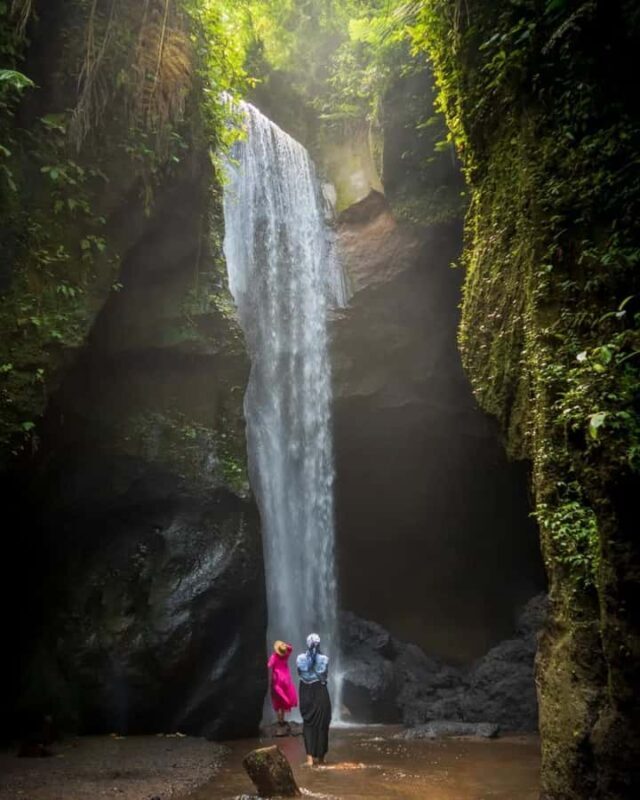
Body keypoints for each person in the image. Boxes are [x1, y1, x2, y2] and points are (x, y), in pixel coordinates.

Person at [297, 633, 331, 766]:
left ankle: (309, 759)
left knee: (308, 724)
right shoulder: (324, 659)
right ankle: (321, 758)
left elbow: (300, 673)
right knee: (322, 723)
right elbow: (324, 675)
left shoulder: (300, 658)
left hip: (305, 691)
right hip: (320, 691)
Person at [267, 640, 298, 726]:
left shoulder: (274, 657)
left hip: (277, 680)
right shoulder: (286, 656)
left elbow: (269, 665)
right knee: (284, 699)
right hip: (286, 679)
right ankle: (282, 719)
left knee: (277, 699)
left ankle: (279, 720)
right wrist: (286, 646)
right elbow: (290, 649)